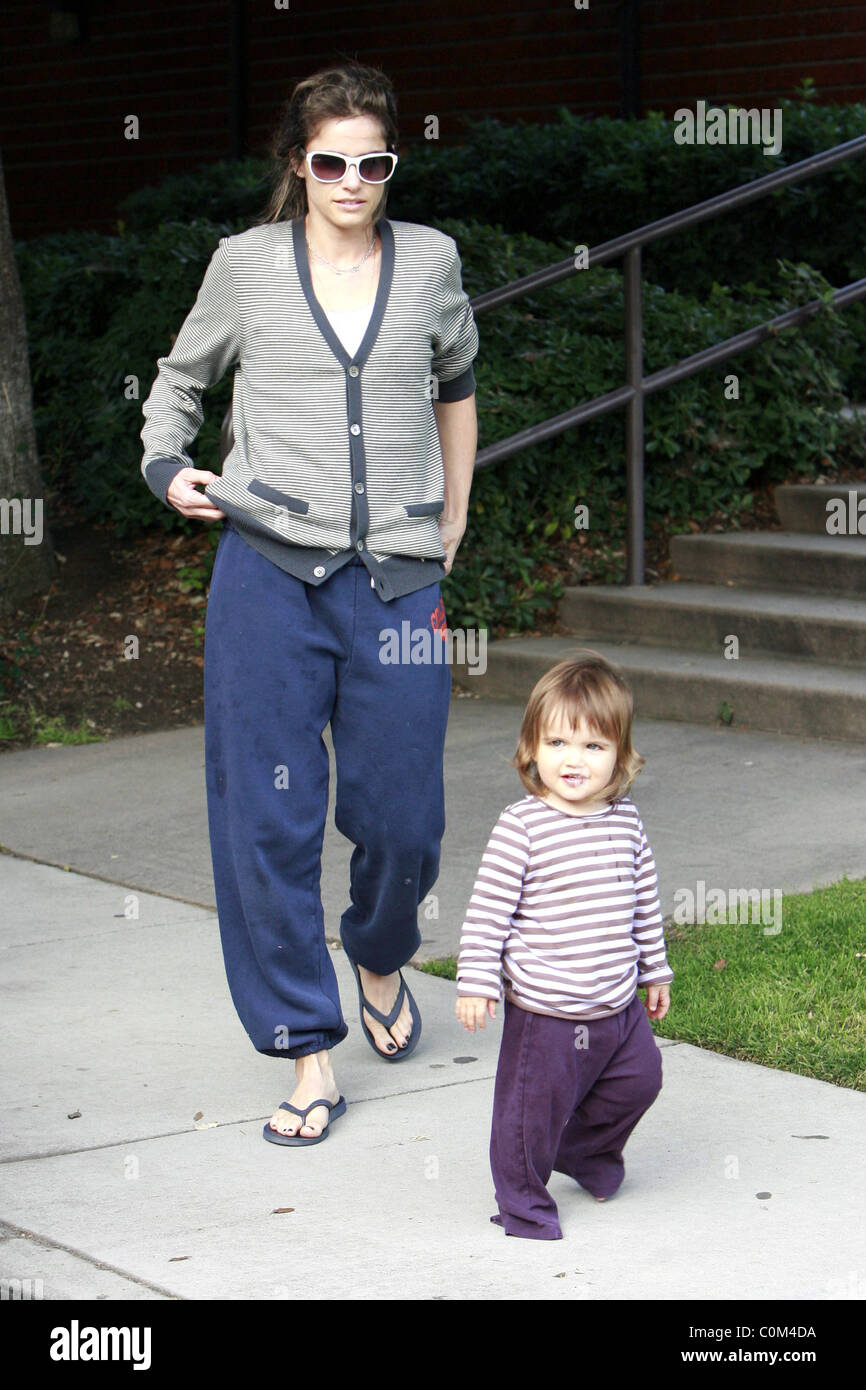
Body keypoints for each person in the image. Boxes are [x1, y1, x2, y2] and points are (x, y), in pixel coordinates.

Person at [140, 61, 478, 1146]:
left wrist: (454, 511)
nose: (350, 180)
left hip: (397, 579)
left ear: (390, 165)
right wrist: (165, 462)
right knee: (265, 821)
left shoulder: (428, 262)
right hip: (267, 576)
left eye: (370, 162)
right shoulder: (244, 266)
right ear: (298, 162)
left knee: (403, 818)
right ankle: (304, 1050)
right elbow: (179, 380)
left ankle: (378, 952)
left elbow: (457, 387)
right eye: (328, 161)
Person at [455, 652, 672, 1239]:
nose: (573, 760)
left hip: (617, 1005)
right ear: (531, 748)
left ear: (621, 758)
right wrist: (477, 980)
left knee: (640, 1080)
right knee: (530, 1116)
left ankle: (585, 1152)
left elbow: (643, 903)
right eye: (557, 743)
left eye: (594, 747)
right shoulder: (522, 826)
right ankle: (522, 1203)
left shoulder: (625, 822)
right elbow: (488, 913)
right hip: (547, 1013)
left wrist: (656, 970)